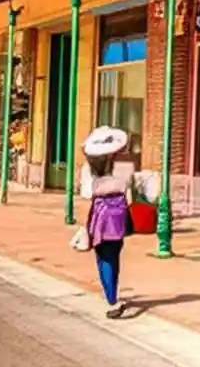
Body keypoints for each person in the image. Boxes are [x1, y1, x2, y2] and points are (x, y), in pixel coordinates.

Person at [84, 126, 131, 318]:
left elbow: (86, 193)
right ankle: (113, 292)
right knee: (114, 254)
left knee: (103, 256)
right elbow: (130, 193)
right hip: (119, 215)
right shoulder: (125, 169)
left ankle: (111, 298)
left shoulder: (90, 171)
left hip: (101, 215)